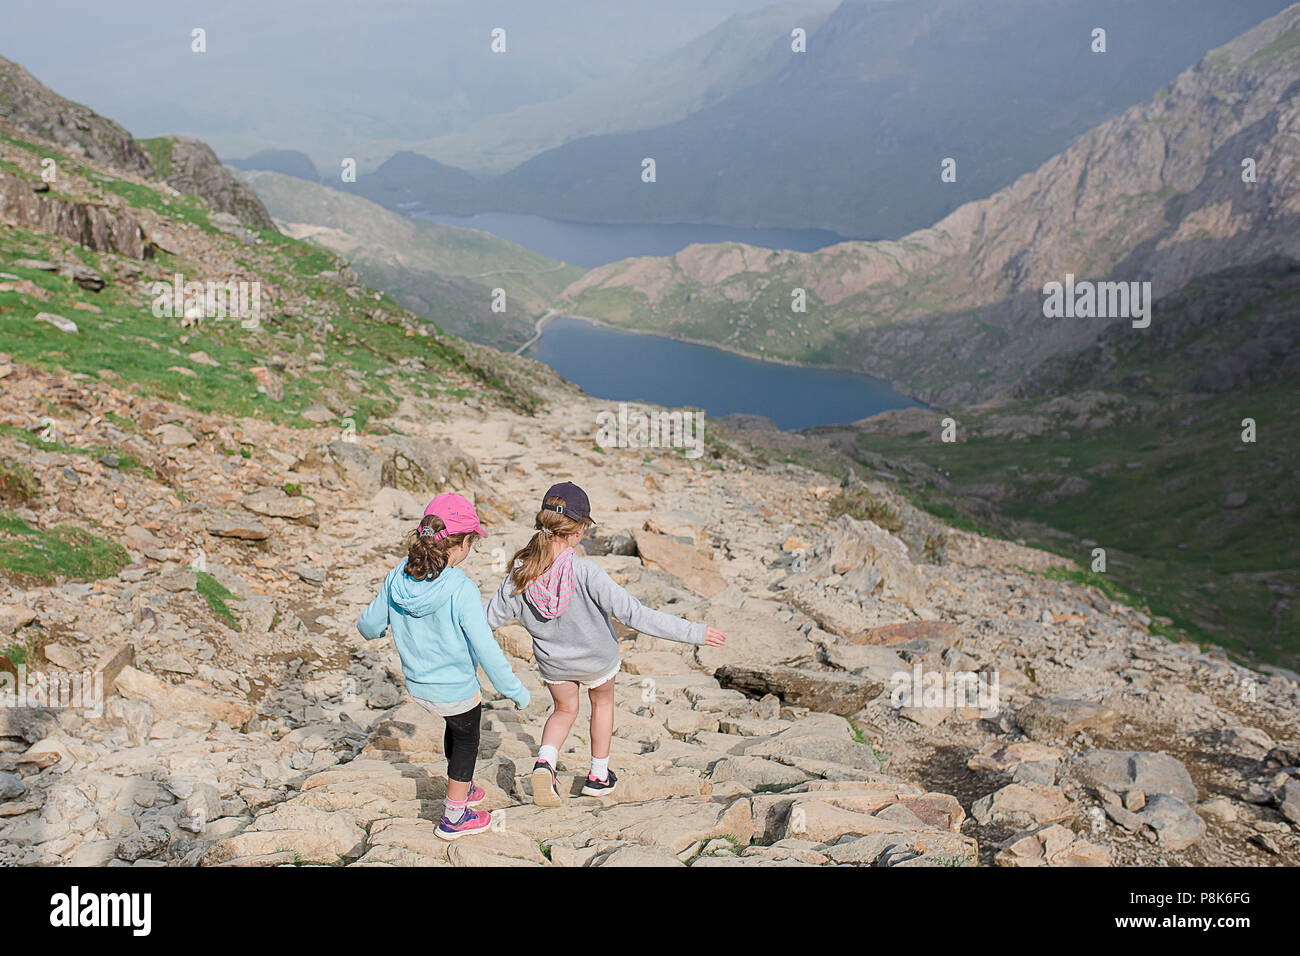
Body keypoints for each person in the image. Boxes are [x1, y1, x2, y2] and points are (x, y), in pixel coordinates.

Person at [485, 481, 725, 805]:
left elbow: (487, 619)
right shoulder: (586, 572)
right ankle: (598, 776)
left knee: (564, 711)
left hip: (555, 664)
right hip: (597, 661)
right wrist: (693, 632)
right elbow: (635, 615)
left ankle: (545, 762)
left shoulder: (520, 573)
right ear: (580, 530)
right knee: (603, 705)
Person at [357, 493, 530, 839]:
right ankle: (455, 815)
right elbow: (485, 647)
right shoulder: (461, 588)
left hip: (419, 687)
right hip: (456, 689)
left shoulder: (396, 578)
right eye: (472, 543)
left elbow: (367, 626)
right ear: (464, 543)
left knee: (456, 725)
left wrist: (382, 629)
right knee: (467, 738)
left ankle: (460, 788)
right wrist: (515, 690)